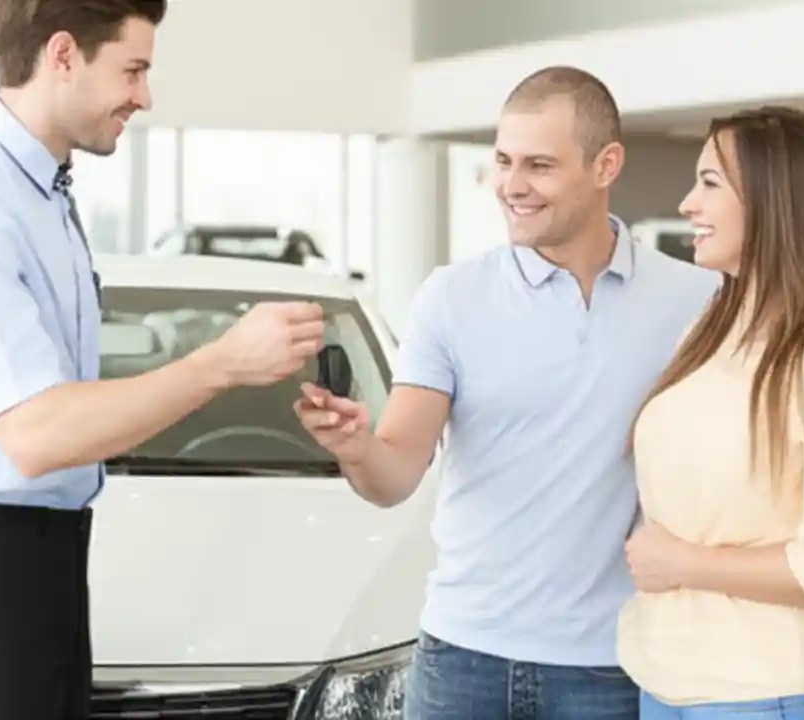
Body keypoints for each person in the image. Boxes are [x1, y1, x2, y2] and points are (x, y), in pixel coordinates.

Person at [0, 1, 324, 718]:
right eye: (134, 69)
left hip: (41, 560)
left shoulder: (35, 188)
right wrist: (224, 363)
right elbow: (36, 432)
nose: (145, 96)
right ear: (62, 55)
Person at [295, 66, 719, 719]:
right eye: (502, 161)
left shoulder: (694, 301)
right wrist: (355, 446)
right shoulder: (450, 297)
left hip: (610, 666)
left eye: (540, 166)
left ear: (606, 165)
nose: (512, 186)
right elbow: (394, 474)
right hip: (461, 657)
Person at [616, 106, 804, 719]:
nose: (689, 204)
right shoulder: (709, 330)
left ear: (777, 202)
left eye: (710, 183)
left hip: (763, 694)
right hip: (664, 682)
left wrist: (684, 564)